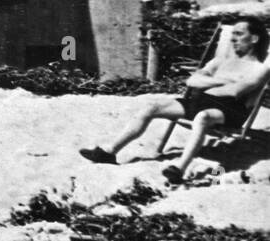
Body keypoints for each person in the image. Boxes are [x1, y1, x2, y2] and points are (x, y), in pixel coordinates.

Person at [80, 16, 270, 183]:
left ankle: (179, 169)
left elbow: (236, 92)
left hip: (229, 110)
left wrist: (210, 83)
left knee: (203, 117)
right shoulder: (222, 60)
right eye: (232, 34)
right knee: (152, 107)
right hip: (200, 101)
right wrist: (224, 80)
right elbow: (192, 80)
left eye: (239, 34)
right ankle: (109, 151)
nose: (233, 38)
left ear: (254, 38)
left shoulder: (258, 68)